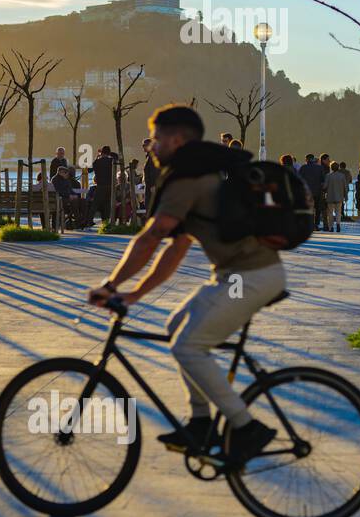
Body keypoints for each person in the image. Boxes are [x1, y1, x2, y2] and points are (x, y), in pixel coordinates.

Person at [87, 104, 282, 465]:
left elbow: (151, 237)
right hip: (240, 275)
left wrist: (111, 284)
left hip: (251, 277)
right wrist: (135, 294)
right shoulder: (196, 172)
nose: (151, 146)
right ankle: (201, 423)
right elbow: (174, 249)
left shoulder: (186, 178)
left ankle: (245, 427)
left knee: (188, 347)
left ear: (176, 140)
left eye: (156, 139)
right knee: (176, 326)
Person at [297, 154, 326, 231]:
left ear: (306, 159)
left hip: (307, 192)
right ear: (313, 159)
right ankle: (316, 225)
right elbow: (323, 180)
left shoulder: (303, 168)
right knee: (317, 209)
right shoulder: (319, 168)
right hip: (317, 192)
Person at [92, 146, 116, 222]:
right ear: (109, 153)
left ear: (102, 153)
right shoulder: (112, 161)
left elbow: (94, 165)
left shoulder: (97, 162)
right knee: (107, 204)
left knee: (95, 204)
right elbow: (116, 156)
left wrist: (99, 155)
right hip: (110, 185)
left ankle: (89, 220)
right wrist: (109, 153)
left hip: (100, 185)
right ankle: (105, 221)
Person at [324, 160, 350, 233]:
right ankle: (338, 224)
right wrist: (346, 196)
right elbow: (345, 187)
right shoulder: (342, 176)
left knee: (330, 212)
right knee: (338, 212)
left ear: (331, 168)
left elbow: (325, 186)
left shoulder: (328, 176)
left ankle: (331, 227)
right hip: (339, 197)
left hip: (330, 197)